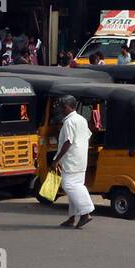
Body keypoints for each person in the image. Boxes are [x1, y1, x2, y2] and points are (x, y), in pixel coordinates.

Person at [51, 95, 93, 229]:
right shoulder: (81, 119)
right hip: (80, 159)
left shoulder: (69, 122)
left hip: (71, 160)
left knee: (69, 185)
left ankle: (85, 213)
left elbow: (68, 142)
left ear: (69, 107)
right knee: (76, 185)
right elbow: (87, 136)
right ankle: (71, 218)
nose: (61, 109)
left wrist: (56, 160)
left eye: (63, 106)